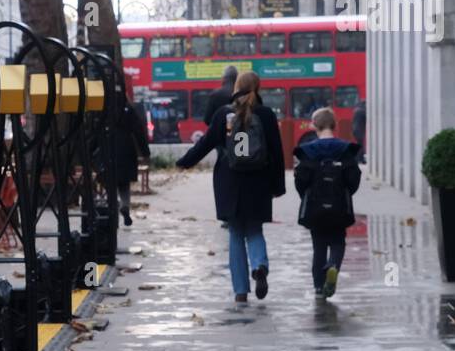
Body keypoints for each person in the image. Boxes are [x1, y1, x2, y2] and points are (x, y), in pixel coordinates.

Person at [176, 71, 286, 303]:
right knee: (255, 230)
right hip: (258, 181)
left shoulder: (223, 114)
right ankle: (259, 266)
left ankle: (240, 291)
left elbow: (205, 144)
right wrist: (278, 186)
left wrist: (185, 162)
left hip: (230, 181)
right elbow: (276, 153)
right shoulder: (266, 115)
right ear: (258, 88)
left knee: (235, 233)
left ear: (236, 87)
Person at [293, 108, 362, 299]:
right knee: (338, 241)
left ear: (315, 125)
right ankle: (333, 266)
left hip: (315, 208)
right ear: (335, 125)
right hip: (339, 207)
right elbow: (354, 179)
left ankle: (318, 287)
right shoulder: (345, 150)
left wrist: (307, 196)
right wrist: (345, 193)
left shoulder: (308, 151)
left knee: (319, 245)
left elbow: (300, 181)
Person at [113, 96, 151, 227]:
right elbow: (138, 131)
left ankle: (111, 210)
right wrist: (145, 152)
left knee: (109, 183)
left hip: (107, 146)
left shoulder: (103, 106)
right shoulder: (129, 109)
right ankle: (125, 205)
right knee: (124, 183)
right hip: (126, 148)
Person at [352, 99, 367, 164]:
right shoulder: (362, 111)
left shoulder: (357, 110)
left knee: (360, 144)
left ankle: (360, 159)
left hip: (356, 130)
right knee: (360, 145)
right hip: (359, 130)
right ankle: (359, 159)